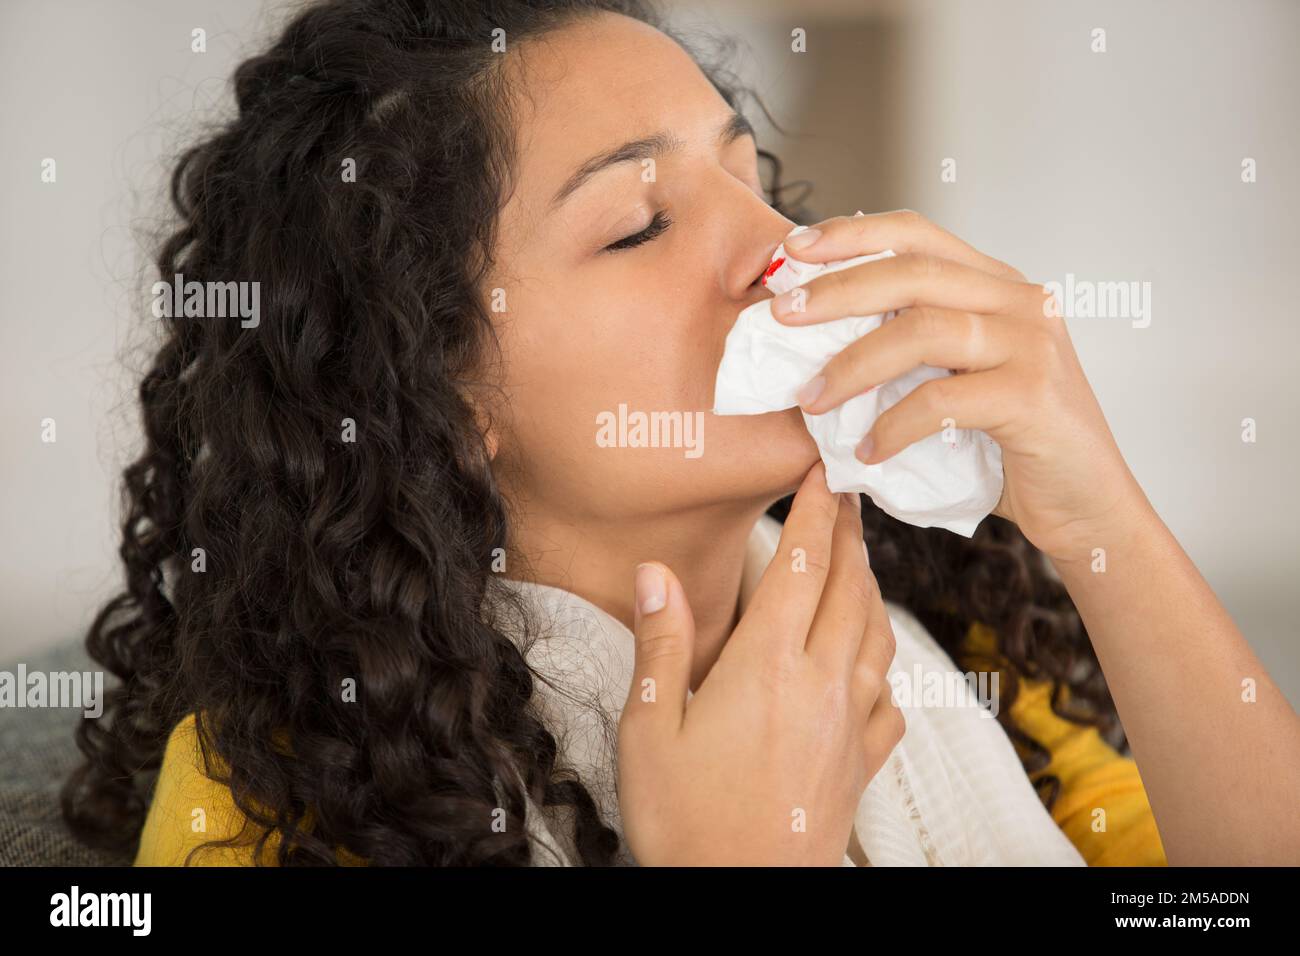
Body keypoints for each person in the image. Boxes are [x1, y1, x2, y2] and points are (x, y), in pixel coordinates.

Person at [65, 0, 1299, 866]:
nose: (777, 245)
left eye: (747, 169)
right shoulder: (273, 802)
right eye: (638, 223)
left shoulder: (952, 645)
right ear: (431, 390)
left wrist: (1103, 522)